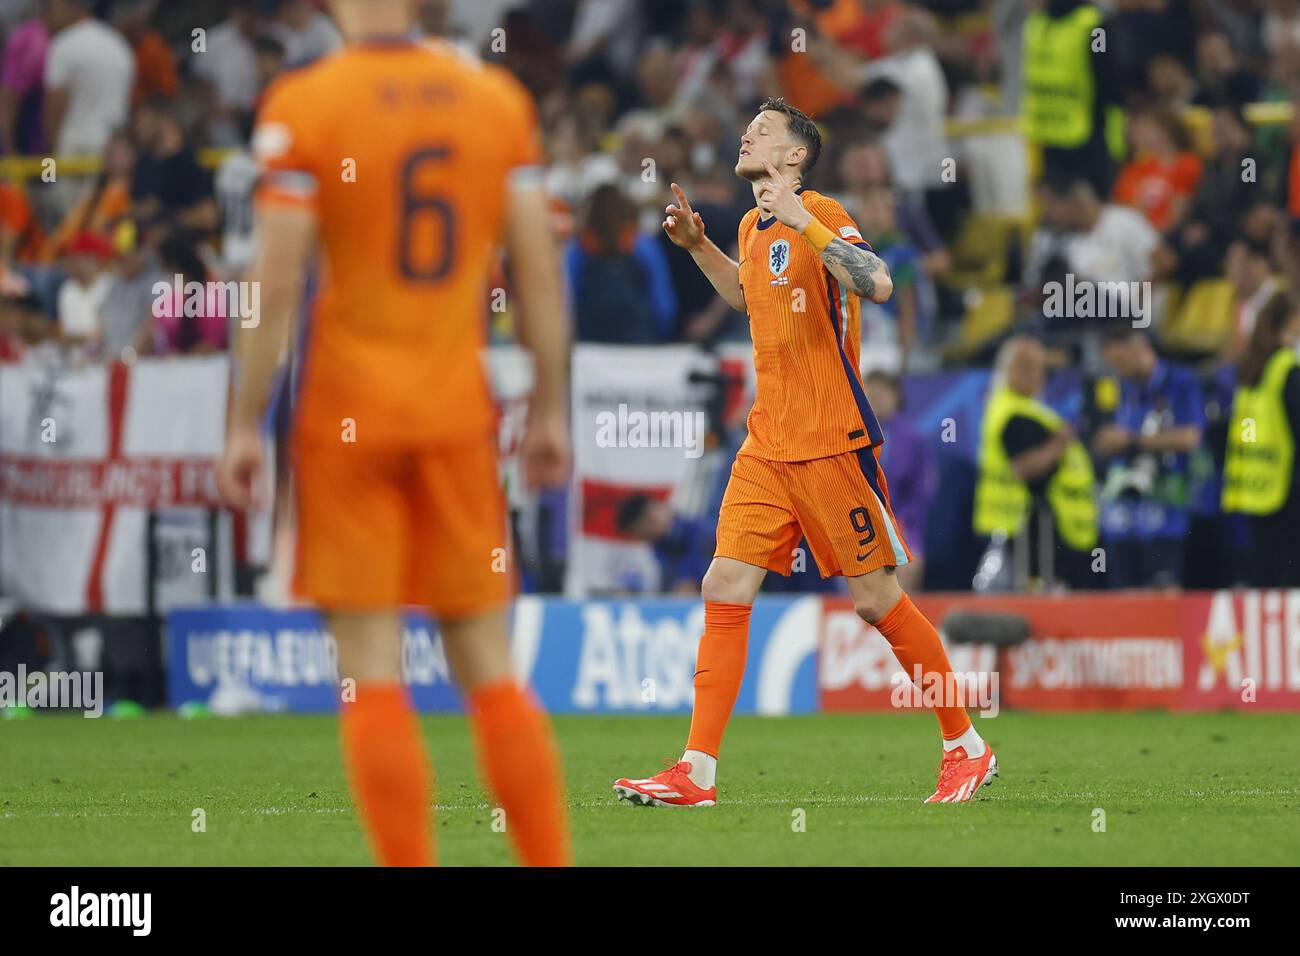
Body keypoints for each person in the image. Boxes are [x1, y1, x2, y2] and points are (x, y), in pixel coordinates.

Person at [217, 0, 571, 867]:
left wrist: (242, 421)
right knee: (487, 661)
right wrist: (553, 405)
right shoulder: (495, 101)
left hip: (348, 416)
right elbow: (535, 272)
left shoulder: (306, 103)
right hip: (455, 409)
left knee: (371, 665)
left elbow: (276, 279)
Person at [613, 97, 996, 808]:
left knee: (877, 600)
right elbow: (746, 299)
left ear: (793, 156)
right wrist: (700, 245)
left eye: (762, 128)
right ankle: (697, 770)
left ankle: (965, 745)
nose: (746, 131)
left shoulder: (820, 210)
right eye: (747, 122)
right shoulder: (751, 226)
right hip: (768, 442)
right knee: (723, 585)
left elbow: (875, 283)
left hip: (830, 438)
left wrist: (804, 220)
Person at [973, 336, 1098, 589]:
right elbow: (1024, 468)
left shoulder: (1029, 409)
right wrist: (1059, 443)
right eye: (1025, 366)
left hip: (1054, 527)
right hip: (1028, 529)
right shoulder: (1014, 413)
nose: (1035, 374)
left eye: (1039, 367)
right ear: (1007, 370)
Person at [1093, 328, 1204, 588]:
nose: (1117, 369)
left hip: (1166, 506)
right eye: (1112, 364)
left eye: (1121, 361)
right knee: (1122, 592)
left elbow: (1190, 437)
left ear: (1140, 348)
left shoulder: (1180, 382)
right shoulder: (1119, 387)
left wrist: (1131, 441)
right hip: (1122, 512)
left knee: (1163, 589)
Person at [1221, 292, 1300, 587]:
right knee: (1289, 576)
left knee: (1263, 573)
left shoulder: (1251, 369)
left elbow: (1249, 427)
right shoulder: (1286, 368)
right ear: (1291, 320)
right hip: (1288, 485)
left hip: (1255, 483)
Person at [864, 370, 932, 593]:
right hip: (859, 522)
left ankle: (903, 620)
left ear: (896, 397)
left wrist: (901, 521)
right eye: (870, 394)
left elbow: (921, 492)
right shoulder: (847, 436)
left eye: (882, 394)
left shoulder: (913, 440)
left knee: (911, 565)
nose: (876, 400)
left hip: (902, 524)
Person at [42, 0, 134, 157]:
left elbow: (55, 103)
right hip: (115, 149)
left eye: (52, 6)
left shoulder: (63, 45)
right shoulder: (118, 44)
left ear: (70, 6)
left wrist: (50, 145)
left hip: (76, 147)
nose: (49, 14)